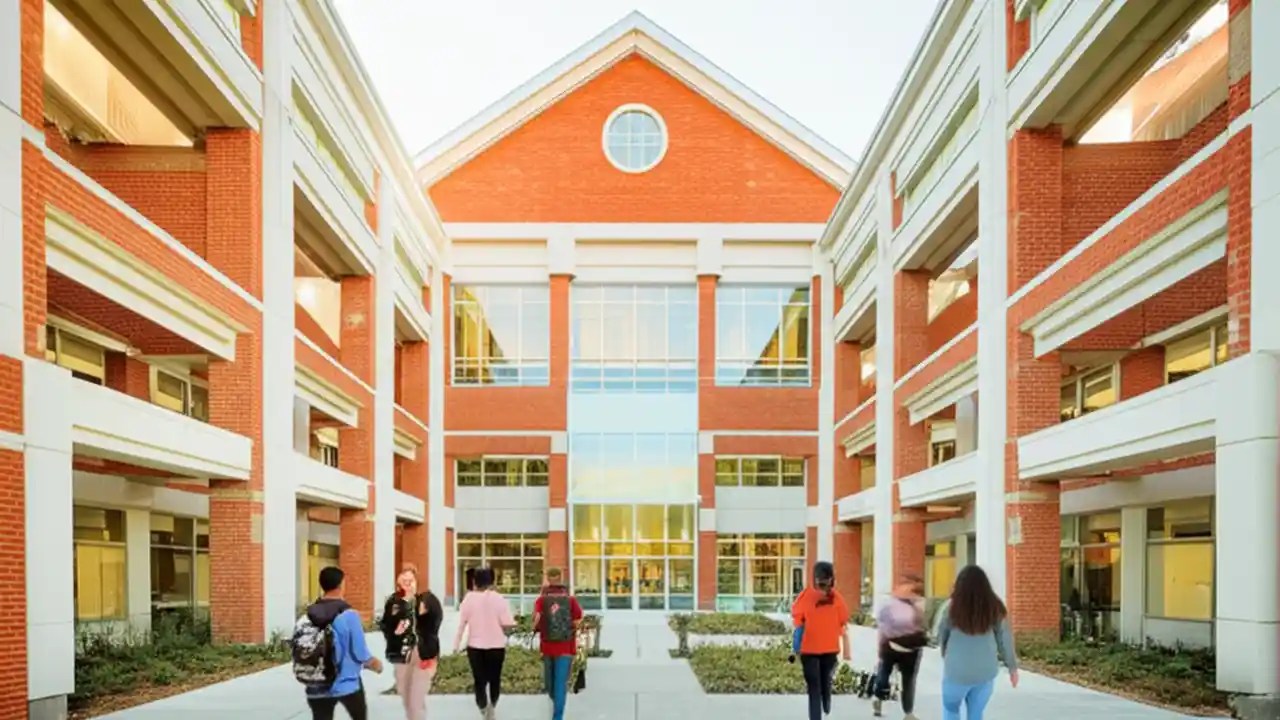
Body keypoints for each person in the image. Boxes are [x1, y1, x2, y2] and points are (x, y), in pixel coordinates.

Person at [936, 565, 1020, 720]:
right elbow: (1004, 639)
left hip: (956, 671)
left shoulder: (952, 607)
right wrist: (1012, 668)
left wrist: (945, 654)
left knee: (951, 710)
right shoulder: (994, 607)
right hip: (985, 672)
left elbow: (942, 634)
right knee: (976, 714)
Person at [305, 566, 383, 720]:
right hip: (346, 683)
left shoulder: (309, 614)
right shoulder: (349, 615)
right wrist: (375, 664)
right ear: (341, 585)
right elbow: (360, 653)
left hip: (316, 683)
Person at [380, 564, 443, 720]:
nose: (408, 583)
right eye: (404, 580)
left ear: (417, 582)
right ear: (398, 582)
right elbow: (386, 625)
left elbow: (435, 622)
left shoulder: (427, 599)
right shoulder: (394, 602)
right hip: (401, 654)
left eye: (411, 580)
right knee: (406, 696)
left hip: (424, 654)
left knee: (416, 699)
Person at [791, 561, 851, 720]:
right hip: (830, 648)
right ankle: (827, 700)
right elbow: (844, 618)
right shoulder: (837, 598)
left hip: (808, 648)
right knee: (826, 680)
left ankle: (816, 715)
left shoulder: (805, 596)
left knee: (813, 687)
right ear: (831, 579)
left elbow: (796, 617)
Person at [453, 567, 516, 720]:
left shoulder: (468, 599)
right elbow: (507, 623)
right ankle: (492, 705)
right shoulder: (499, 598)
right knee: (495, 679)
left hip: (475, 646)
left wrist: (456, 645)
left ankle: (482, 707)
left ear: (475, 582)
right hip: (496, 646)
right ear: (491, 581)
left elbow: (462, 624)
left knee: (479, 680)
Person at [872, 573, 927, 719]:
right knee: (895, 677)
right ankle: (885, 702)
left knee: (899, 677)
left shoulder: (914, 604)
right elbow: (883, 627)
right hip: (900, 647)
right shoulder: (895, 605)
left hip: (902, 647)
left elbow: (920, 627)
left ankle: (903, 709)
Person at [531, 567, 582, 720]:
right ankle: (557, 716)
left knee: (551, 685)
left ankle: (556, 712)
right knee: (560, 684)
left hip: (547, 647)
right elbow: (578, 620)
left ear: (548, 578)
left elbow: (535, 622)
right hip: (566, 647)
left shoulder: (541, 600)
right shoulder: (570, 599)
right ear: (560, 578)